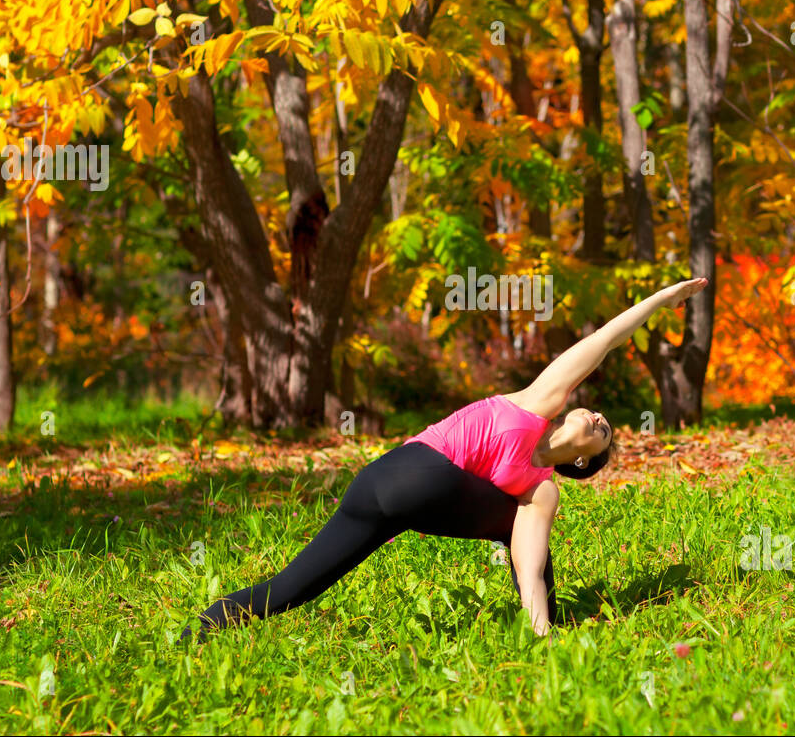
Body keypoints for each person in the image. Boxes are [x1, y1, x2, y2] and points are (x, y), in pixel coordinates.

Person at [178, 276, 708, 644]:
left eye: (605, 434)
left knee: (529, 531)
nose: (597, 420)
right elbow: (602, 342)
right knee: (292, 588)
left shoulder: (542, 485)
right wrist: (661, 300)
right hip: (396, 477)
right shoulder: (537, 401)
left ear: (586, 463)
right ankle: (198, 631)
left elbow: (530, 564)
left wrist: (537, 610)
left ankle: (542, 631)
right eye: (596, 414)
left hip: (408, 499)